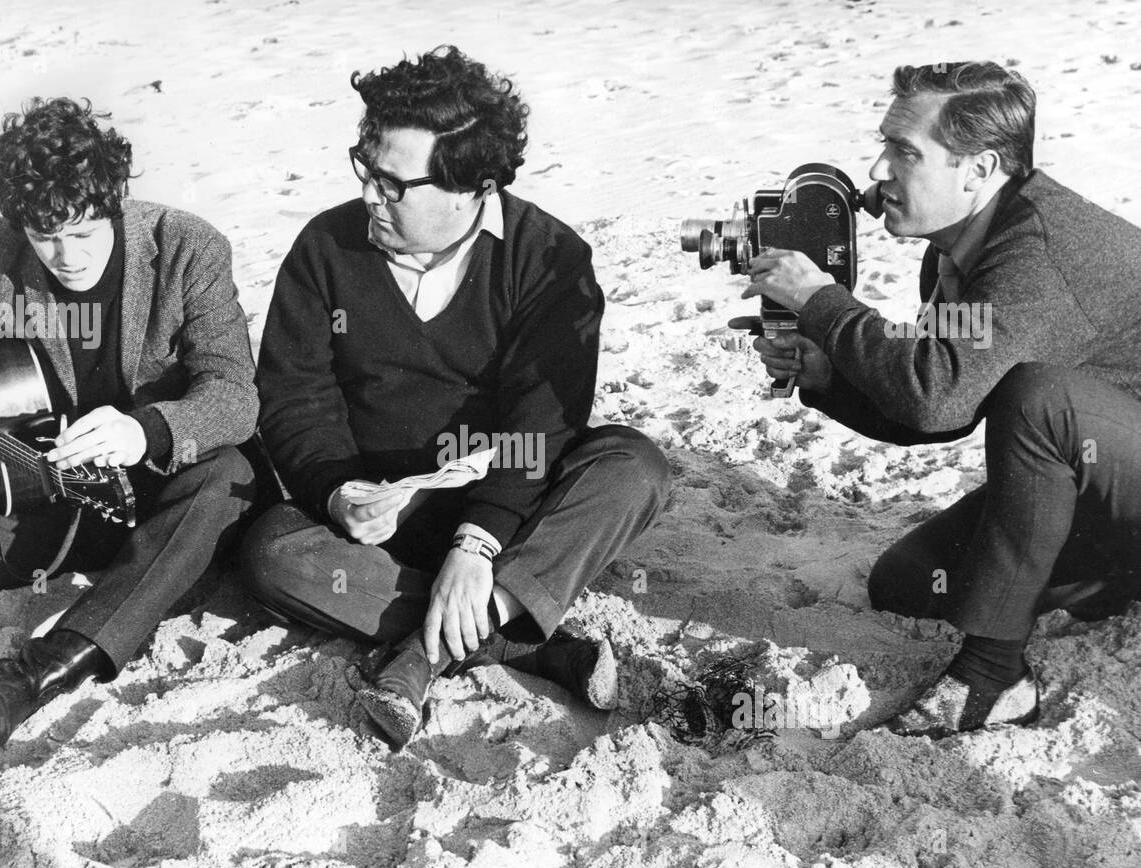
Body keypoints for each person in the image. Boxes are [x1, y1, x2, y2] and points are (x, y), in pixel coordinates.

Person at [241, 46, 670, 748]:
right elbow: (294, 400)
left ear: (473, 185)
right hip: (378, 525)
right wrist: (339, 491)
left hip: (510, 515)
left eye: (392, 182)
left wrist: (478, 541)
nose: (370, 195)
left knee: (635, 468)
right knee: (270, 553)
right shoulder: (325, 249)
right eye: (364, 168)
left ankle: (423, 653)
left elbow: (544, 425)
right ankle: (522, 639)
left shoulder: (547, 259)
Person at [0, 97, 258, 755]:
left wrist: (145, 429)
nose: (67, 255)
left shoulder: (186, 248)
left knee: (229, 478)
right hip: (28, 498)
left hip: (151, 507)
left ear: (114, 199)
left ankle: (47, 665)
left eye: (85, 232)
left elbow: (234, 394)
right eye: (45, 235)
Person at [744, 62, 1141, 736]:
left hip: (1116, 463)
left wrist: (821, 301)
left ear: (979, 169)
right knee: (908, 579)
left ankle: (994, 673)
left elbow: (936, 396)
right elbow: (941, 406)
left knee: (1039, 398)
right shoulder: (955, 249)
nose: (877, 170)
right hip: (1107, 486)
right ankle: (1115, 582)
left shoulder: (1036, 252)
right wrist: (825, 375)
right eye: (883, 145)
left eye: (905, 151)